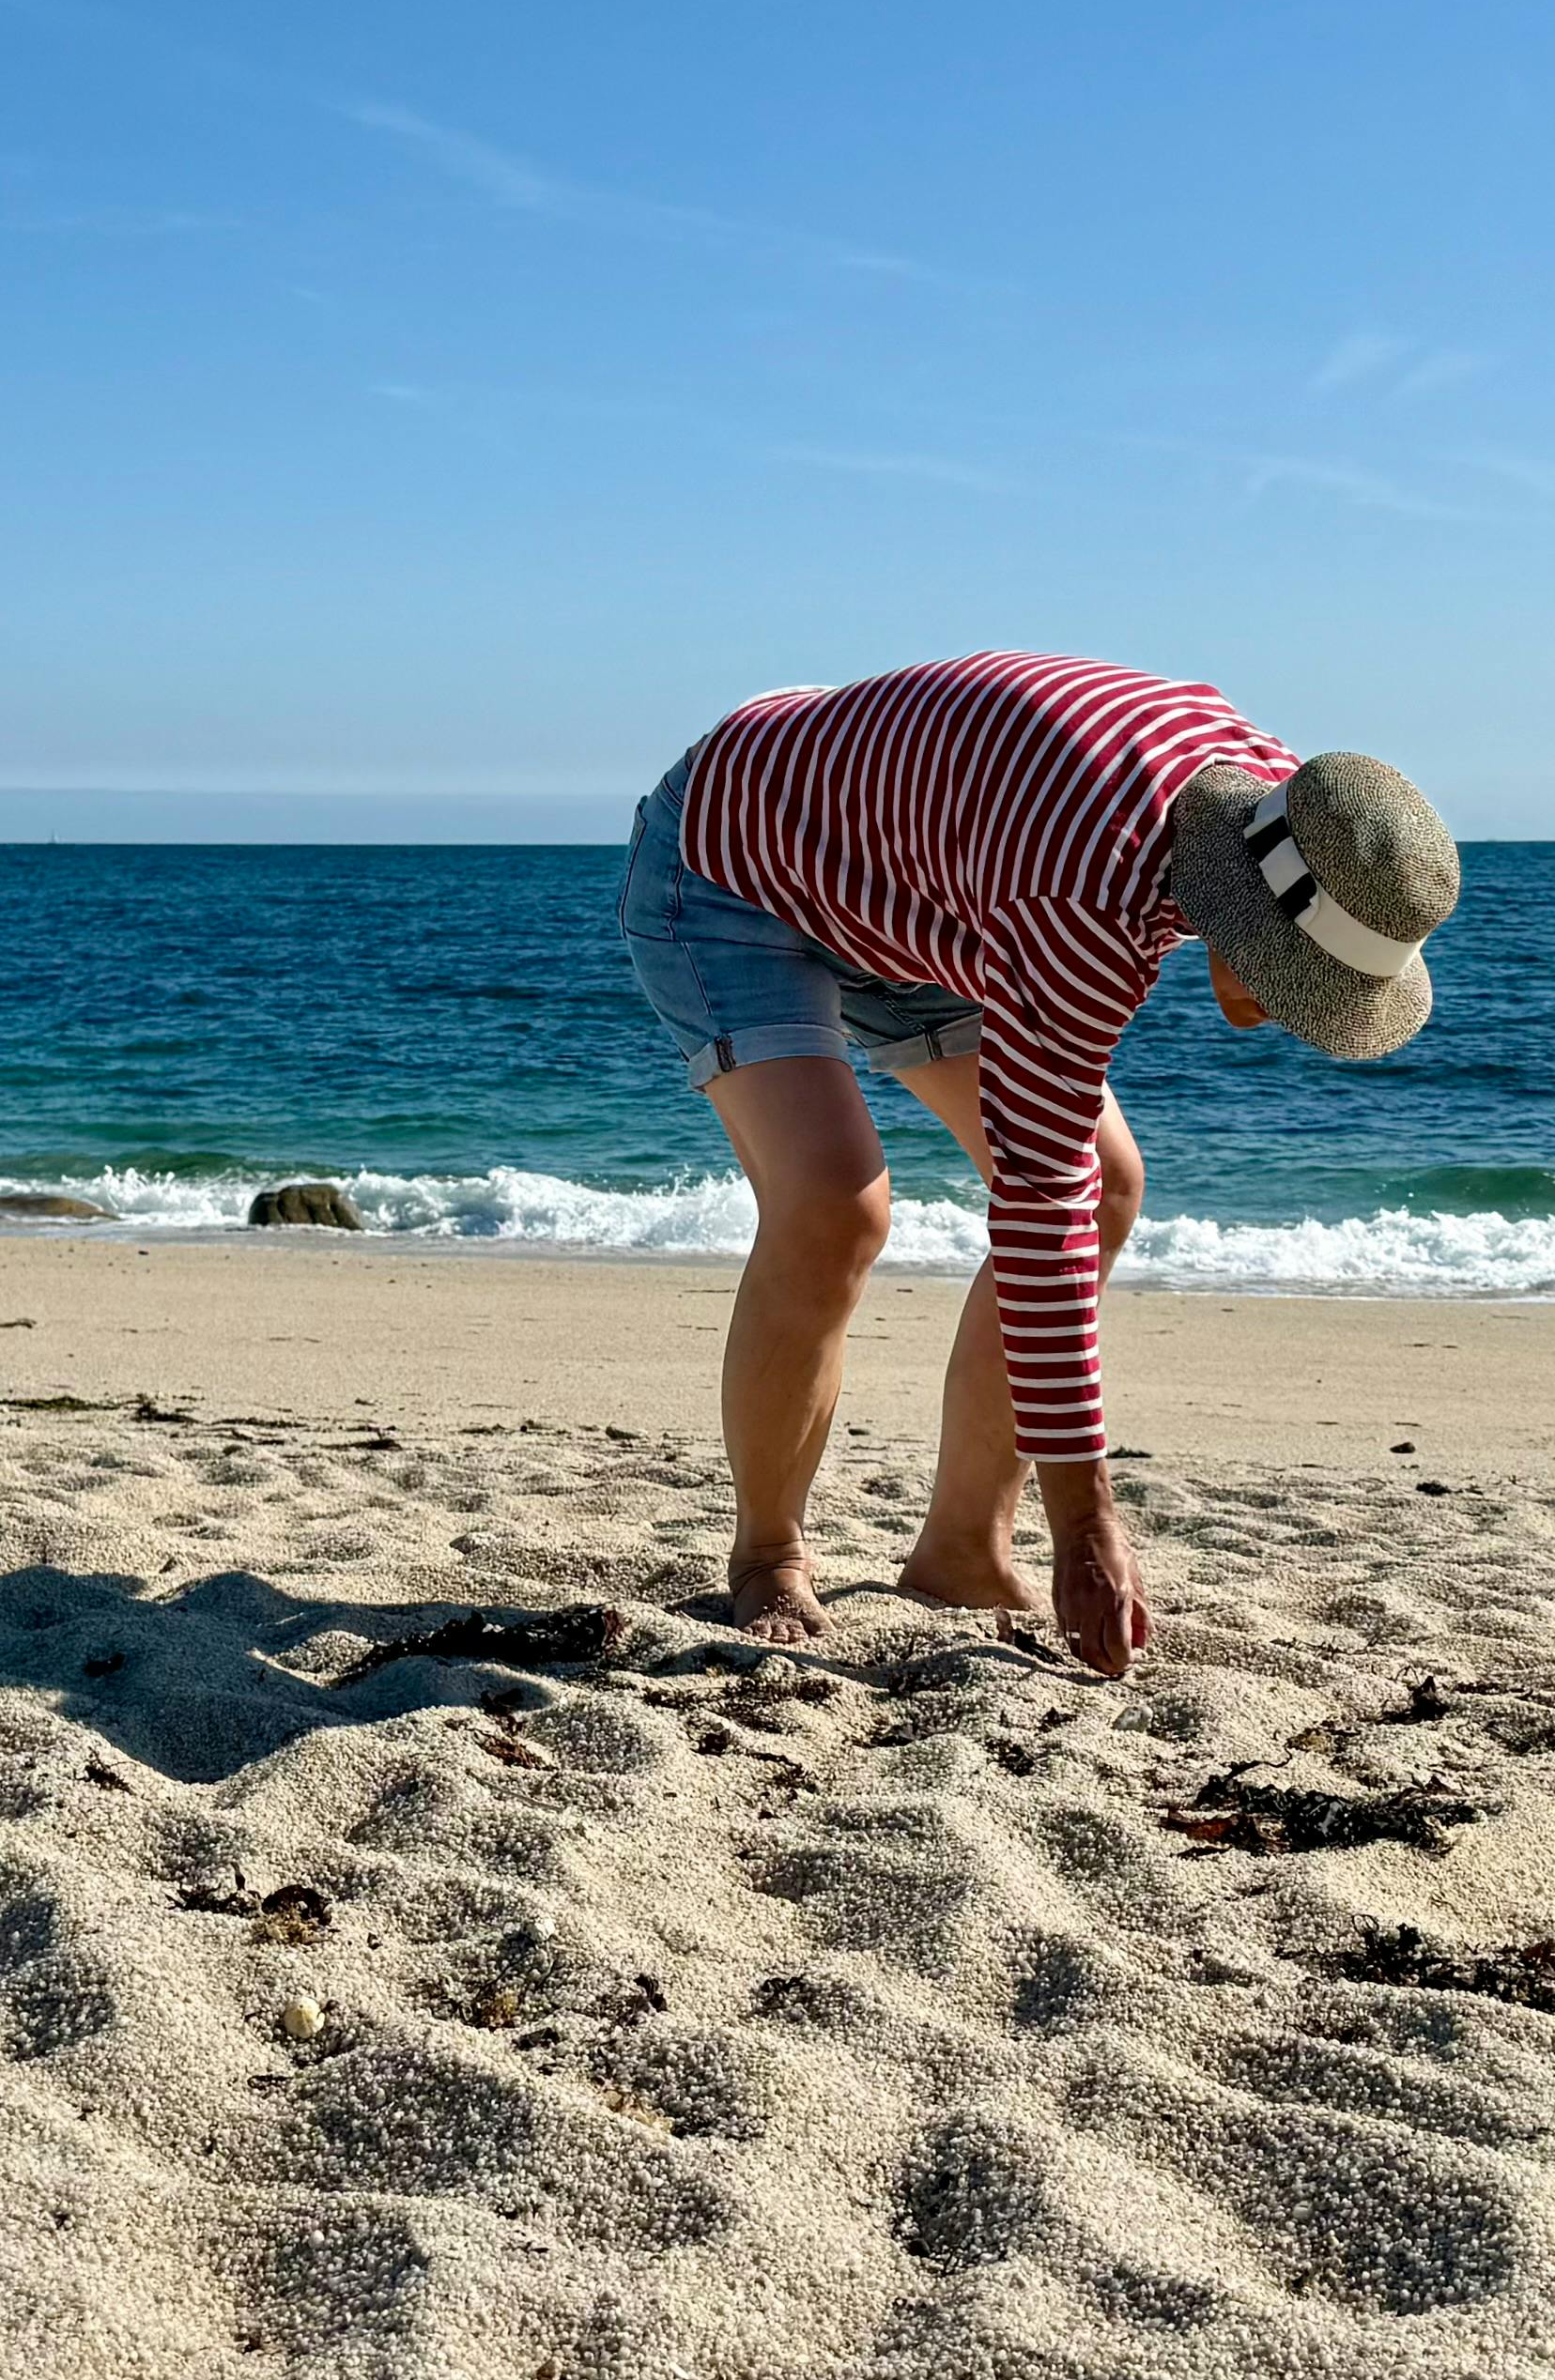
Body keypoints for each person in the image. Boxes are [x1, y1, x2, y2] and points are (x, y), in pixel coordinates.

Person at [613, 653, 1463, 1678]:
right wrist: (1085, 1523)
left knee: (1111, 1182)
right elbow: (1035, 1209)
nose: (1270, 1011)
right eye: (1295, 980)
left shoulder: (1296, 812)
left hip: (935, 894)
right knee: (836, 1204)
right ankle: (766, 1552)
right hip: (735, 863)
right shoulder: (1085, 902)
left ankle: (960, 1552)